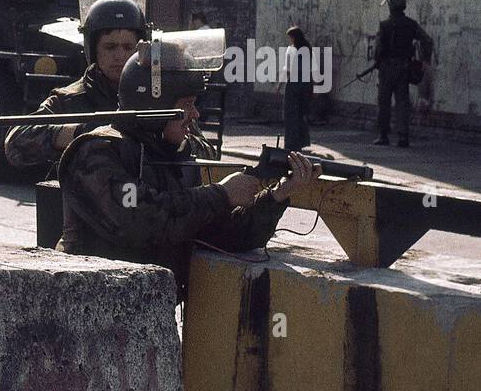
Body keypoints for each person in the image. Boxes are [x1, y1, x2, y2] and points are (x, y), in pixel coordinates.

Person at [57, 32, 322, 294]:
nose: (194, 114)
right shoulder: (97, 152)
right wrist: (221, 194)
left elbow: (221, 235)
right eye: (186, 105)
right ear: (154, 105)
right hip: (88, 309)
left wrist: (276, 196)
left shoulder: (172, 156)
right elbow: (140, 221)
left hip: (145, 313)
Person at [4, 0, 149, 175]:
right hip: (87, 198)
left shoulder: (155, 94)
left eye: (128, 47)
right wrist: (83, 132)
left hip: (148, 197)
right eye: (110, 47)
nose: (120, 56)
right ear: (93, 49)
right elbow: (16, 141)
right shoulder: (70, 98)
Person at [373, 0, 431, 148]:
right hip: (404, 67)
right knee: (402, 103)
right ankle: (403, 137)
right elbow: (427, 40)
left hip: (387, 68)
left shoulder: (384, 25)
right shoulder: (411, 24)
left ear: (391, 7)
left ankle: (383, 135)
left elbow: (378, 49)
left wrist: (378, 62)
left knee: (384, 102)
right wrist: (425, 60)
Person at [280, 25, 313, 151]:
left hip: (294, 85)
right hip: (304, 85)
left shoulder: (294, 51)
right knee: (300, 114)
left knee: (290, 115)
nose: (290, 40)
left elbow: (289, 69)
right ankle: (301, 141)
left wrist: (280, 84)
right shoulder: (307, 49)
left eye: (291, 38)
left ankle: (291, 143)